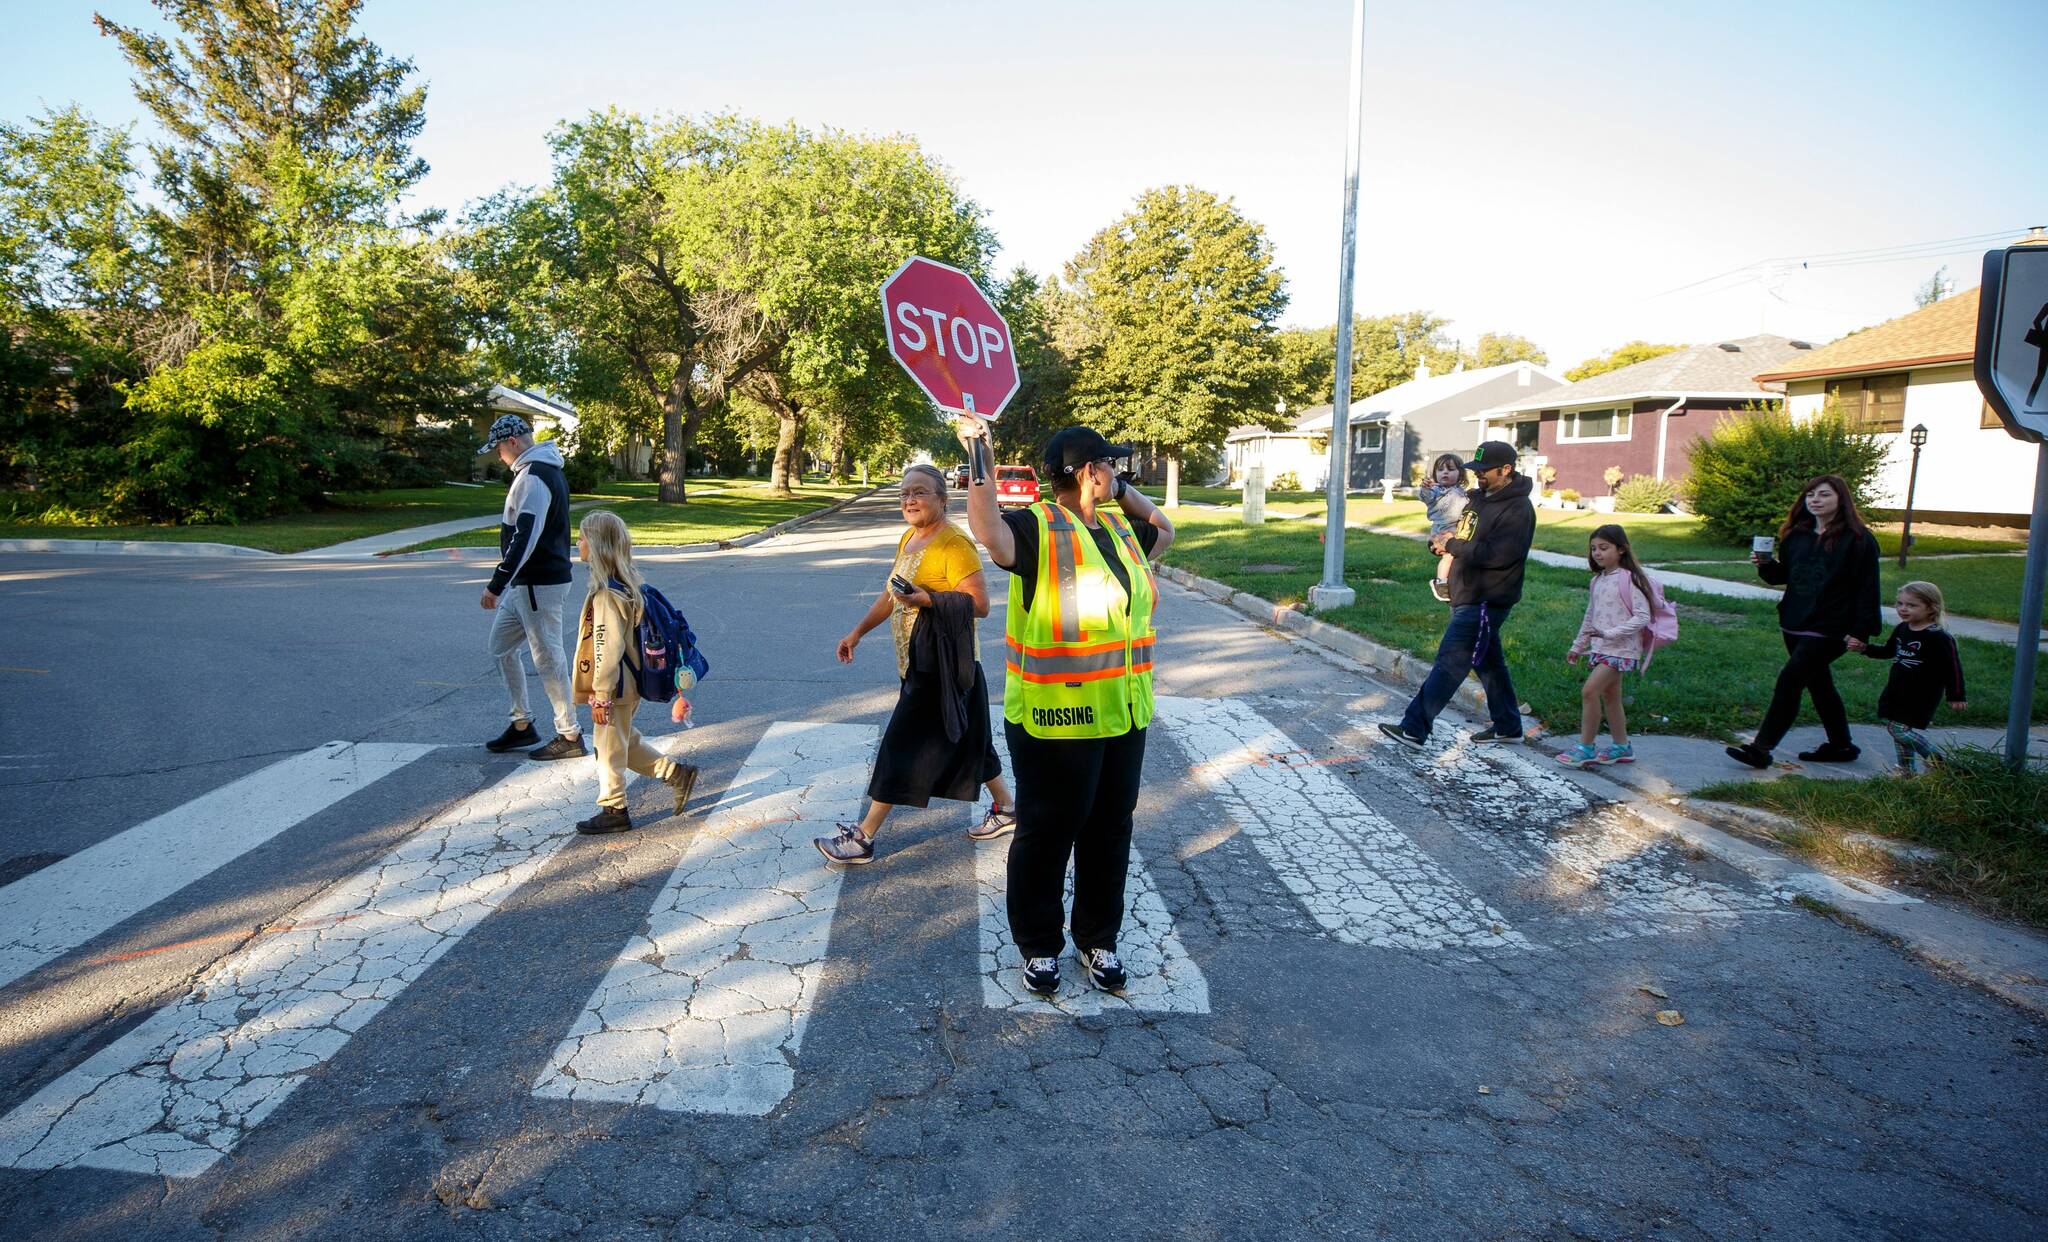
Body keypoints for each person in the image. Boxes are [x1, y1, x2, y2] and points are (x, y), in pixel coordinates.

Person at [954, 418, 1173, 996]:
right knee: (1048, 833)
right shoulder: (1039, 527)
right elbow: (986, 529)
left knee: (1110, 831)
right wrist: (981, 448)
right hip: (1056, 718)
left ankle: (1097, 939)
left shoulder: (1121, 531)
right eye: (1109, 466)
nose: (1117, 473)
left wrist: (1120, 492)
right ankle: (1039, 946)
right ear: (1085, 472)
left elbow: (1165, 528)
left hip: (1124, 713)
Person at [814, 465, 1016, 865]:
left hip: (942, 665)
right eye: (904, 494)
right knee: (971, 737)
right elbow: (892, 594)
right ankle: (1008, 809)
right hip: (918, 662)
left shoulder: (954, 543)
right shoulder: (910, 537)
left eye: (919, 492)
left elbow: (980, 605)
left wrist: (927, 600)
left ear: (943, 498)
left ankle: (863, 837)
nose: (909, 500)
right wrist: (857, 632)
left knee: (901, 746)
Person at [1378, 440, 1536, 750]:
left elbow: (1499, 555)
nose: (1478, 476)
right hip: (1466, 593)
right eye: (1475, 470)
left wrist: (1452, 546)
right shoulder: (1478, 499)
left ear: (1506, 470)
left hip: (1488, 597)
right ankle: (1508, 725)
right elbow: (1458, 534)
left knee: (1451, 660)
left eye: (1485, 471)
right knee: (1489, 663)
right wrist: (1439, 542)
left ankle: (1414, 728)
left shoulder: (1518, 509)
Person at [1725, 474, 1882, 769]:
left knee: (1790, 680)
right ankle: (1841, 745)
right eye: (1811, 495)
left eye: (1824, 495)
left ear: (1841, 499)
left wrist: (1862, 630)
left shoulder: (1858, 539)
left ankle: (1760, 749)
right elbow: (1784, 577)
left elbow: (1868, 587)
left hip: (1831, 626)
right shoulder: (1796, 534)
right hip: (1795, 621)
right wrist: (1766, 565)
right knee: (1819, 684)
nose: (1815, 500)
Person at [570, 511, 698, 835]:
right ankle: (676, 774)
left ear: (597, 545)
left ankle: (614, 808)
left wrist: (600, 695)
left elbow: (606, 649)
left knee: (608, 749)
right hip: (625, 686)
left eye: (583, 536)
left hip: (615, 688)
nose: (578, 542)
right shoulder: (621, 587)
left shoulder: (608, 595)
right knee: (622, 743)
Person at [478, 414, 586, 761]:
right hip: (526, 584)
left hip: (539, 583)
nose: (498, 456)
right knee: (501, 648)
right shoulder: (535, 471)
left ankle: (569, 734)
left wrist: (497, 585)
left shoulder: (536, 475)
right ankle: (522, 725)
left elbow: (526, 537)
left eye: (498, 448)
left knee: (548, 657)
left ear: (512, 442)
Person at [1557, 525, 1653, 768]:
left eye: (1603, 548)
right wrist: (1578, 645)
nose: (1597, 553)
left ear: (1621, 549)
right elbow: (1590, 616)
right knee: (1611, 697)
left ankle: (1586, 748)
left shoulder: (1630, 579)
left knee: (1589, 691)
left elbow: (1642, 616)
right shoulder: (1597, 581)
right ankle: (1622, 747)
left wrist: (1610, 634)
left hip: (1621, 649)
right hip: (1602, 648)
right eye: (1593, 548)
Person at [1846, 581, 1967, 774]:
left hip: (1921, 694)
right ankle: (1906, 771)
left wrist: (1957, 695)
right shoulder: (1903, 628)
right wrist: (1864, 648)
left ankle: (1938, 761)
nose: (1903, 609)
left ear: (1931, 608)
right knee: (1898, 731)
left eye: (1912, 605)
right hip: (1898, 690)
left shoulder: (1938, 637)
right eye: (1900, 603)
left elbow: (1952, 668)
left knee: (1899, 730)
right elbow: (1889, 651)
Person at [1418, 453, 1470, 603]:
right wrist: (1425, 488)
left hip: (1458, 527)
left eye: (1451, 469)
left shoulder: (1461, 490)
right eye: (1440, 470)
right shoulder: (1436, 491)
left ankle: (1452, 579)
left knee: (1458, 555)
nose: (1445, 472)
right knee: (1448, 555)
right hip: (1442, 529)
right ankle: (1440, 582)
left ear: (1460, 474)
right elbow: (1425, 497)